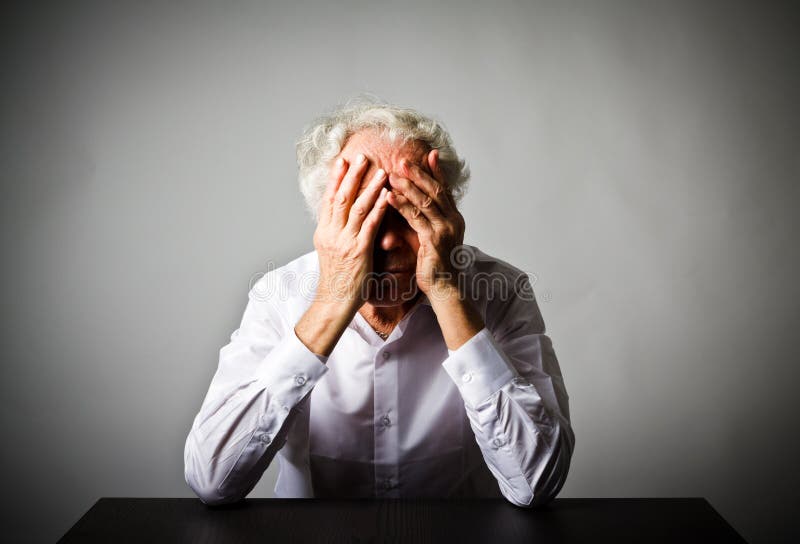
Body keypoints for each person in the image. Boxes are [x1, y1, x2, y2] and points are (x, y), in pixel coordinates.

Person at [183, 97, 575, 507]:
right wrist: (332, 302)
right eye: (364, 213)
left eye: (409, 214)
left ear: (446, 211)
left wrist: (447, 293)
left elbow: (537, 483)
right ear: (326, 218)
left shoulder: (503, 291)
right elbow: (212, 480)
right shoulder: (278, 296)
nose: (387, 241)